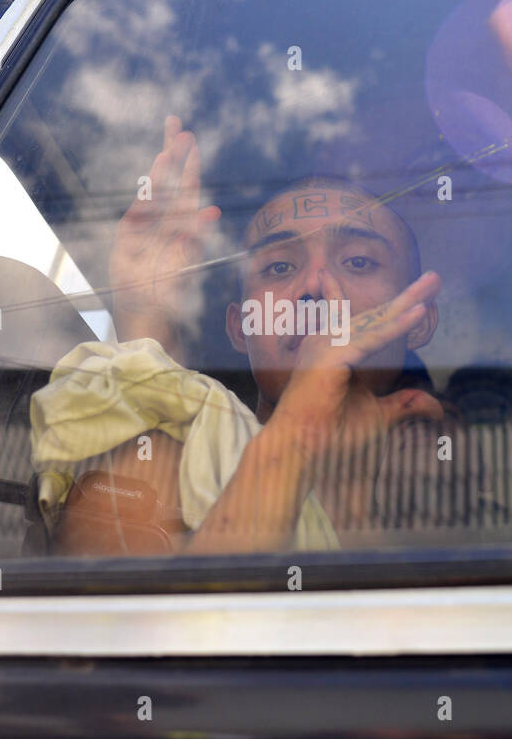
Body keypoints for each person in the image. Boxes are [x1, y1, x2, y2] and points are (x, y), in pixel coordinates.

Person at [30, 115, 446, 554]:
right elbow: (126, 619)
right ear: (240, 326)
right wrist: (146, 317)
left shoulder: (457, 525)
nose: (315, 287)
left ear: (419, 318)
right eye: (280, 267)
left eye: (359, 262)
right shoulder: (174, 459)